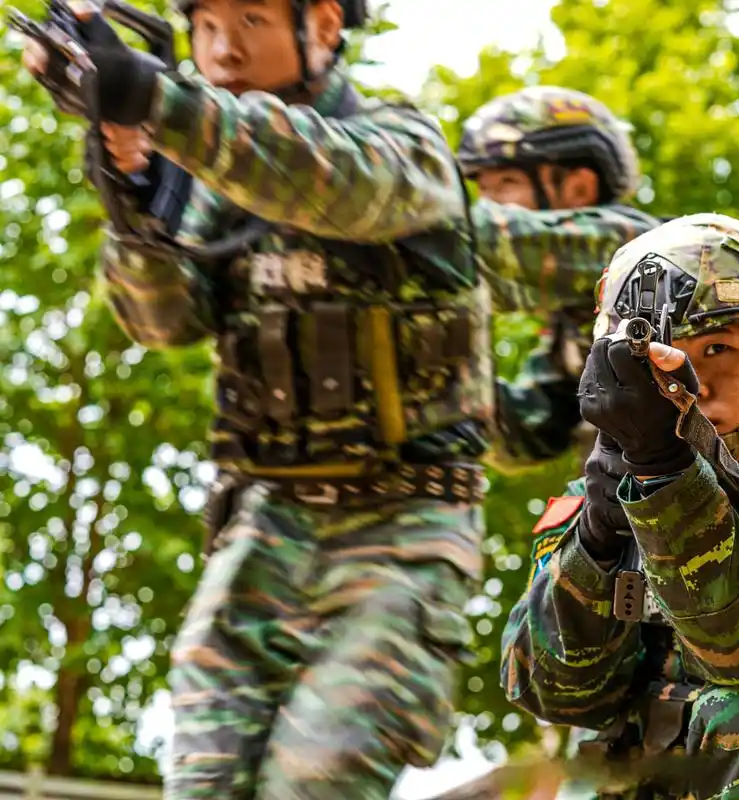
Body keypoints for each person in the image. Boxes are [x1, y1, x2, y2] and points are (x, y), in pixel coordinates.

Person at [20, 1, 648, 796]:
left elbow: (334, 185)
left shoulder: (406, 150)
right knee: (203, 785)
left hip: (398, 535)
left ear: (321, 25)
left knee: (312, 782)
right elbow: (162, 319)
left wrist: (158, 101)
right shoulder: (216, 179)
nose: (222, 50)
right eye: (206, 26)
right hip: (260, 534)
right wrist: (133, 182)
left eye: (249, 19)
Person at [500, 214, 739, 799]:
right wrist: (599, 538)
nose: (689, 382)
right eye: (661, 361)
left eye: (716, 348)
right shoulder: (600, 499)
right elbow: (555, 693)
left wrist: (664, 474)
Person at [457, 86, 660, 466]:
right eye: (482, 189)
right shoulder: (581, 315)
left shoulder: (632, 248)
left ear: (579, 188)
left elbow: (487, 245)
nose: (489, 204)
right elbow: (531, 433)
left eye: (506, 184)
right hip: (644, 511)